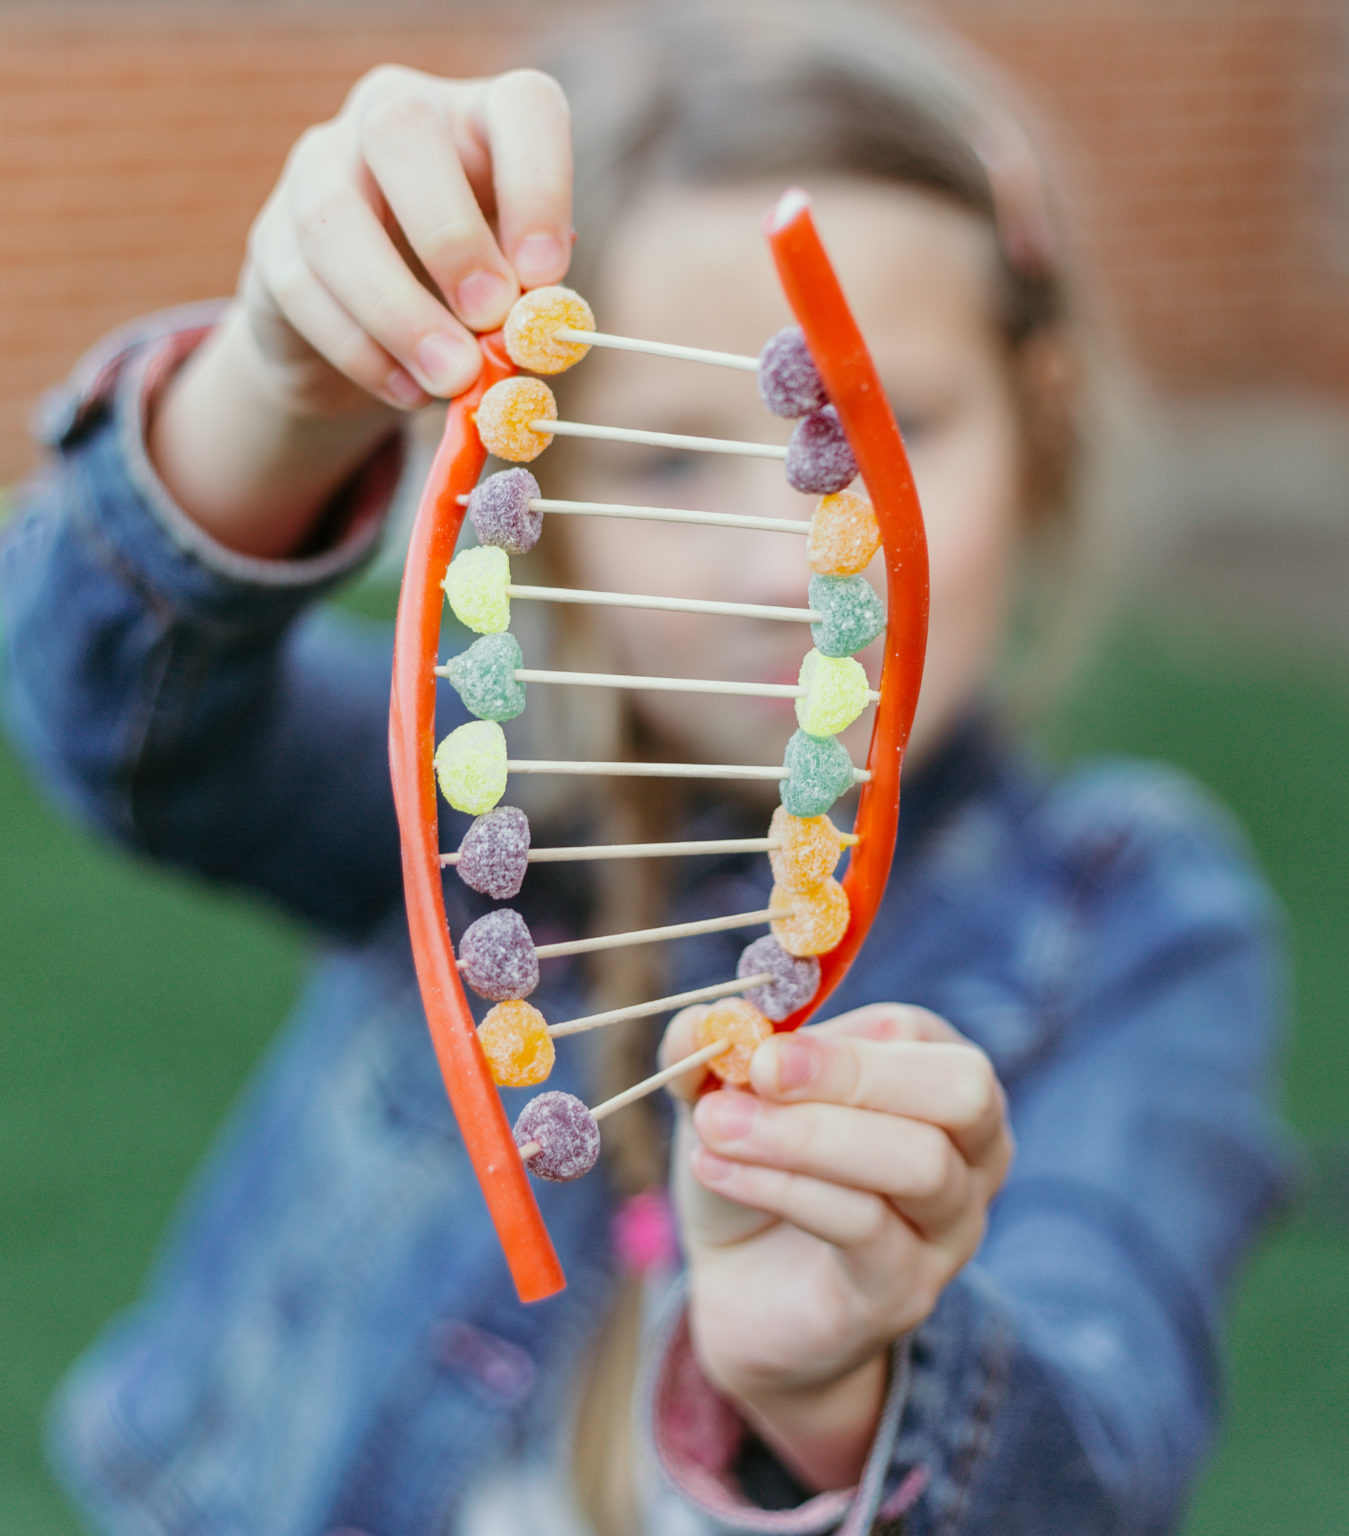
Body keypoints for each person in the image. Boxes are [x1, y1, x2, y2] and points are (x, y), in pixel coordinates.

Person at [0, 5, 1289, 1533]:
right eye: (670, 459)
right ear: (551, 498)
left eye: (880, 428)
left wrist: (833, 1392)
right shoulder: (473, 801)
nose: (776, 563)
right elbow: (134, 735)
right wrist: (274, 401)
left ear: (1042, 422)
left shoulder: (1133, 924)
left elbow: (1098, 1452)